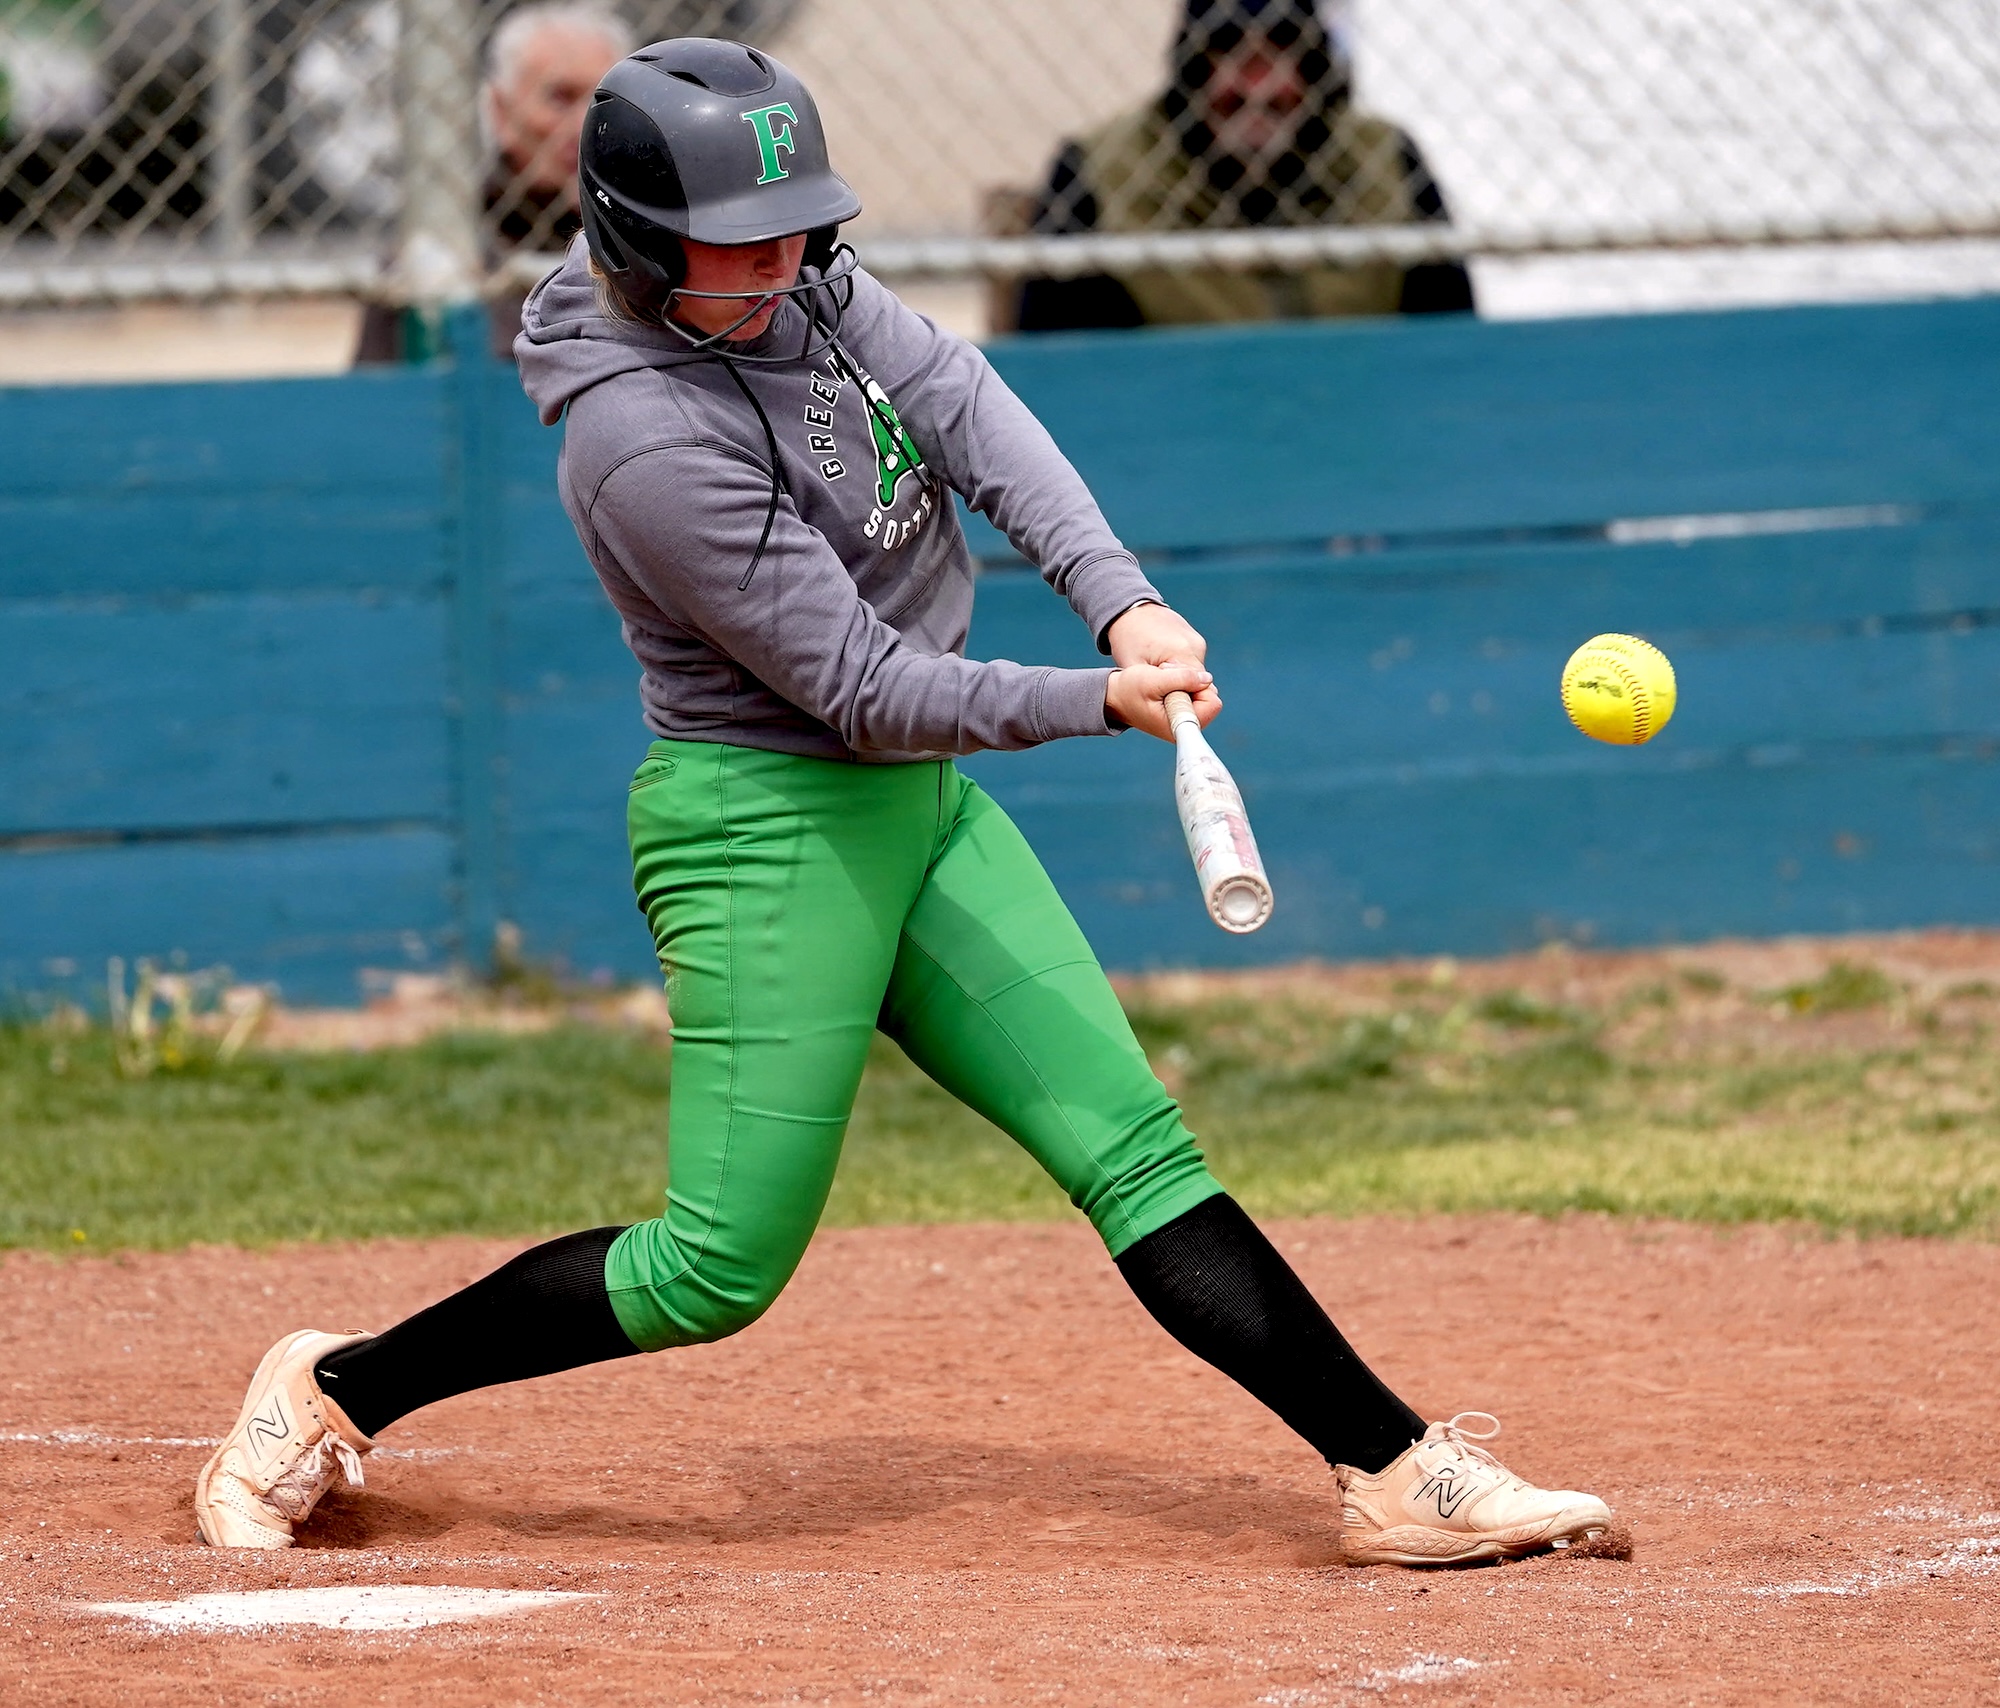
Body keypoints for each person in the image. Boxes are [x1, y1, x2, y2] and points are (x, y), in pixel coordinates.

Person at [194, 37, 1609, 1571]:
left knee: (1132, 1148)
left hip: (910, 809)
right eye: (745, 245)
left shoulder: (797, 279)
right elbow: (860, 685)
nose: (790, 263)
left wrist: (1117, 601)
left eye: (803, 227)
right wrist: (1095, 701)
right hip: (767, 823)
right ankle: (331, 1392)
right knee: (714, 1269)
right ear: (641, 245)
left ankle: (1397, 1467)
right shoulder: (638, 437)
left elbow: (971, 411)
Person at [1016, 0, 1474, 332]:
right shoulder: (1100, 172)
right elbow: (1067, 372)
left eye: (1282, 53)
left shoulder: (1385, 159)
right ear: (1192, 71)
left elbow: (1451, 338)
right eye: (1229, 52)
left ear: (1315, 72)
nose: (1259, 88)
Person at [353, 0, 631, 362]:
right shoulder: (448, 241)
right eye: (560, 98)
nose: (587, 125)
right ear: (501, 110)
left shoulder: (654, 228)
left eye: (603, 101)